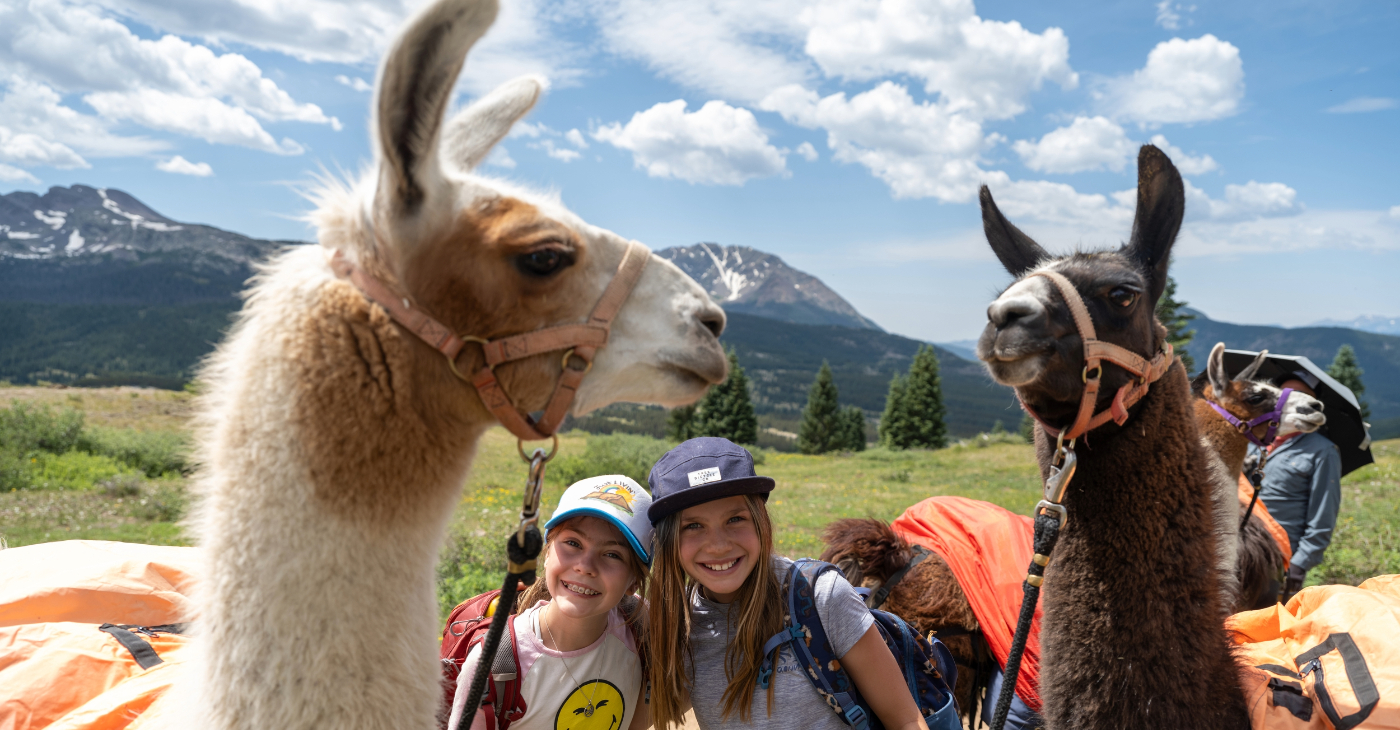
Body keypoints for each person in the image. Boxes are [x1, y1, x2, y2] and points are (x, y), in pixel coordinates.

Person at [644, 437, 931, 730]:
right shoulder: (676, 624)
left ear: (760, 522)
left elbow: (906, 720)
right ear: (667, 542)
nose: (718, 546)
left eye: (735, 519)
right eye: (693, 526)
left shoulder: (821, 597)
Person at [448, 475, 654, 730]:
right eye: (573, 543)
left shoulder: (641, 632)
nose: (585, 566)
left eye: (612, 554)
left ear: (634, 581)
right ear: (547, 553)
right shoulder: (494, 664)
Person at [1249, 371, 1343, 602]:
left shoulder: (1323, 451)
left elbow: (1323, 516)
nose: (1291, 398)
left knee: (1266, 628)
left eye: (1301, 394)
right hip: (1239, 547)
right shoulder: (1253, 439)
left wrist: (1300, 563)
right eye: (1285, 392)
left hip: (1278, 558)